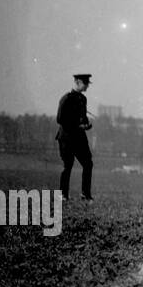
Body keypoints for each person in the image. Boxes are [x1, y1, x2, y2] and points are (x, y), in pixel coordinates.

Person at [55, 73, 94, 201]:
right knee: (68, 165)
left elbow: (83, 117)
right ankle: (63, 194)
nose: (87, 86)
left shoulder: (83, 99)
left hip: (79, 138)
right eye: (85, 83)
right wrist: (78, 126)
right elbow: (60, 119)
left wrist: (86, 124)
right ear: (77, 82)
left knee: (88, 163)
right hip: (66, 137)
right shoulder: (66, 99)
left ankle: (85, 194)